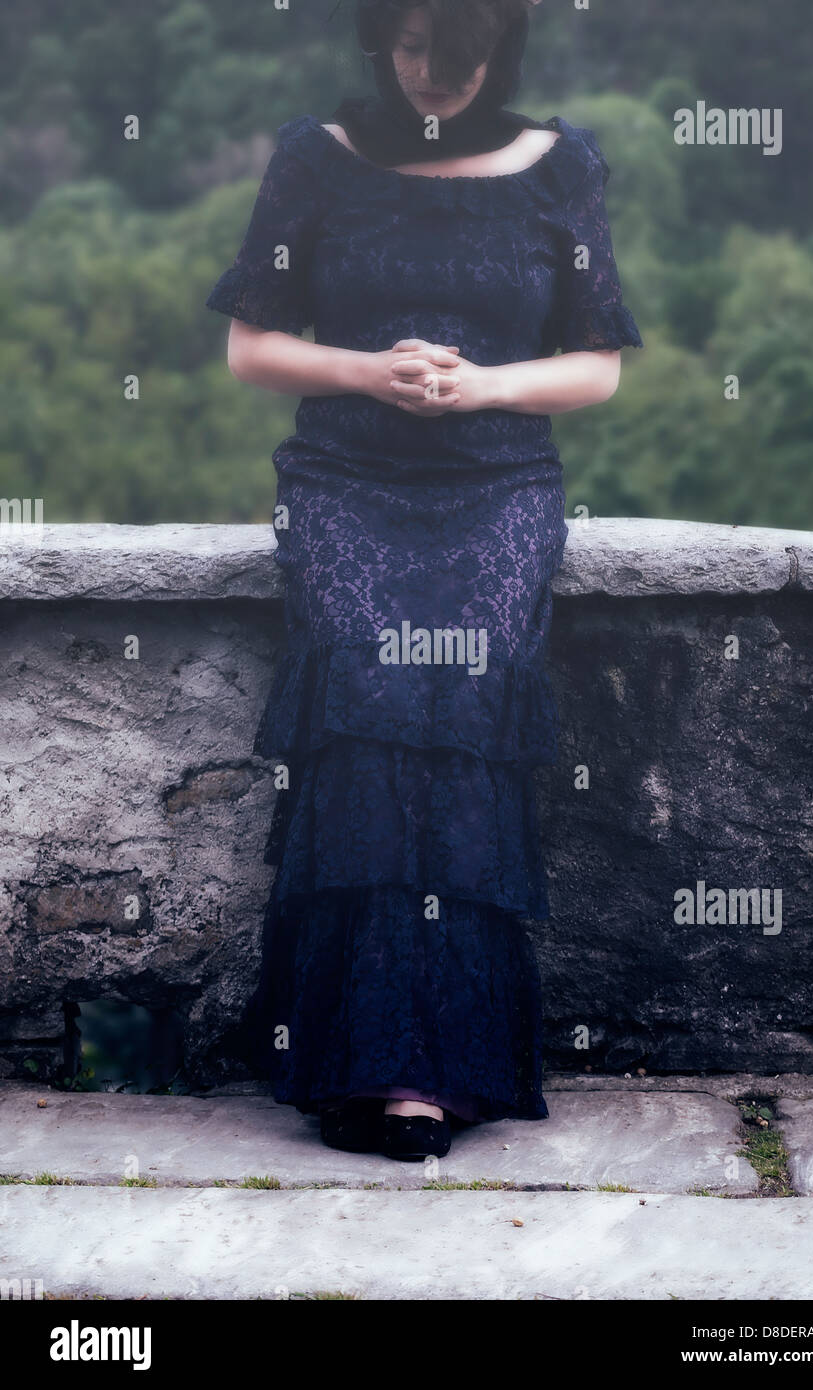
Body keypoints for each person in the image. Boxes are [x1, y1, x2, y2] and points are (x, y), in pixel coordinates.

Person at [206, 0, 642, 1162]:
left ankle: (438, 1065)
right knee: (369, 713)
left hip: (497, 488)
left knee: (461, 721)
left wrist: (481, 386)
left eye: (458, 56)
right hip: (346, 480)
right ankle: (356, 1057)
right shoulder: (316, 159)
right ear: (375, 40)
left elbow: (595, 367)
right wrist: (367, 371)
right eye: (409, 49)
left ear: (503, 49)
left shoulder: (562, 167)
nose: (431, 77)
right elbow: (252, 346)